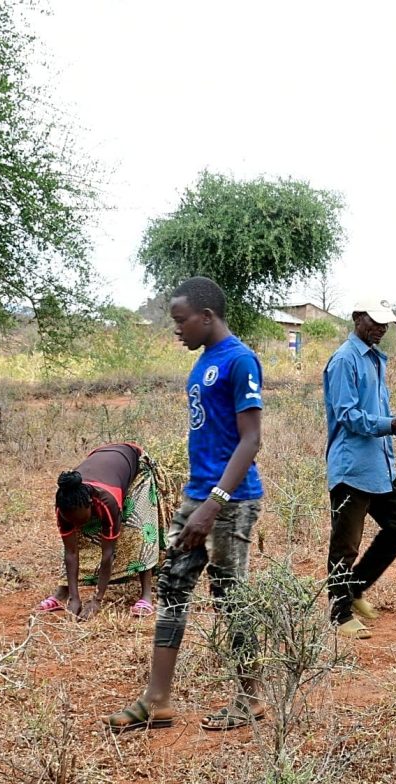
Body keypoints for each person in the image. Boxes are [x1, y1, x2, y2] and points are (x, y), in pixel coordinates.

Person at [105, 276, 265, 732]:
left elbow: (251, 440)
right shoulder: (204, 362)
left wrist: (213, 503)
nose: (177, 330)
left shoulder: (239, 360)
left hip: (229, 501)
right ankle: (157, 700)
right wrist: (198, 499)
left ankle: (251, 699)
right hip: (199, 497)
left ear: (207, 317)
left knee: (230, 596)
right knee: (173, 588)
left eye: (181, 321)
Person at [323, 299, 396, 639]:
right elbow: (347, 416)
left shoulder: (374, 360)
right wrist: (394, 424)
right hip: (352, 467)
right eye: (375, 322)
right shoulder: (345, 360)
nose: (381, 329)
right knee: (345, 544)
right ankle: (339, 611)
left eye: (386, 323)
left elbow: (376, 414)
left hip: (378, 466)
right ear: (357, 318)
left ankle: (355, 588)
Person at [36, 441, 163, 620]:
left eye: (80, 520)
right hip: (103, 458)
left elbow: (108, 553)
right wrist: (75, 598)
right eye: (70, 520)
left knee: (138, 528)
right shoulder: (64, 502)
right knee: (75, 540)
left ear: (90, 503)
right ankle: (64, 593)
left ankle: (146, 595)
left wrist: (96, 600)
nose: (76, 525)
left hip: (134, 464)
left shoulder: (106, 501)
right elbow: (70, 552)